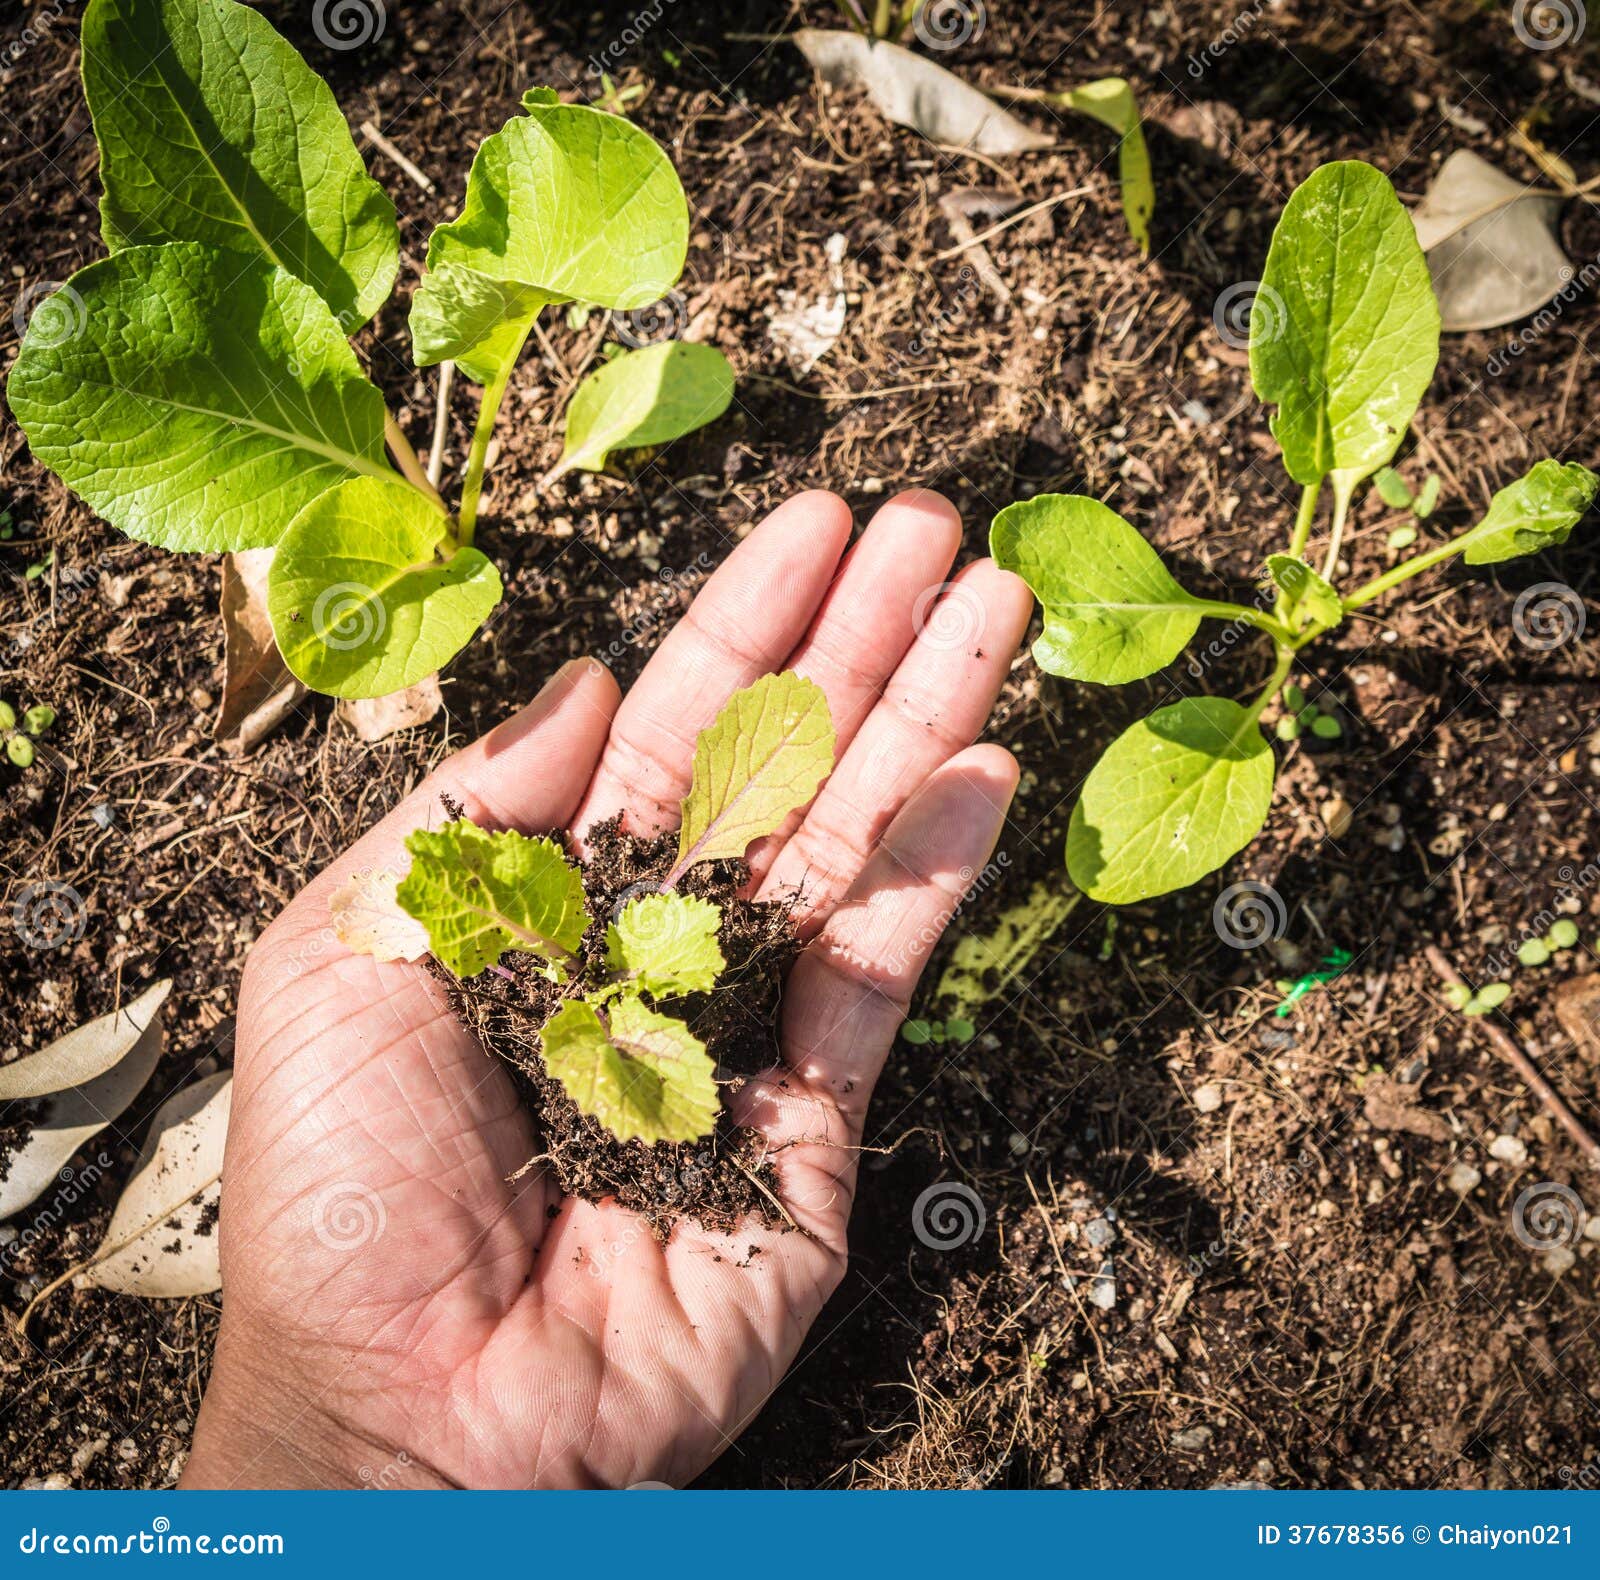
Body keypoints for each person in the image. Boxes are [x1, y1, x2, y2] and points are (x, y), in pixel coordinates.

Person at [181, 489, 1031, 1489]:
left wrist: (336, 1440)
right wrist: (332, 1419)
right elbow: (605, 1043)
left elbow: (651, 997)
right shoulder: (550, 1003)